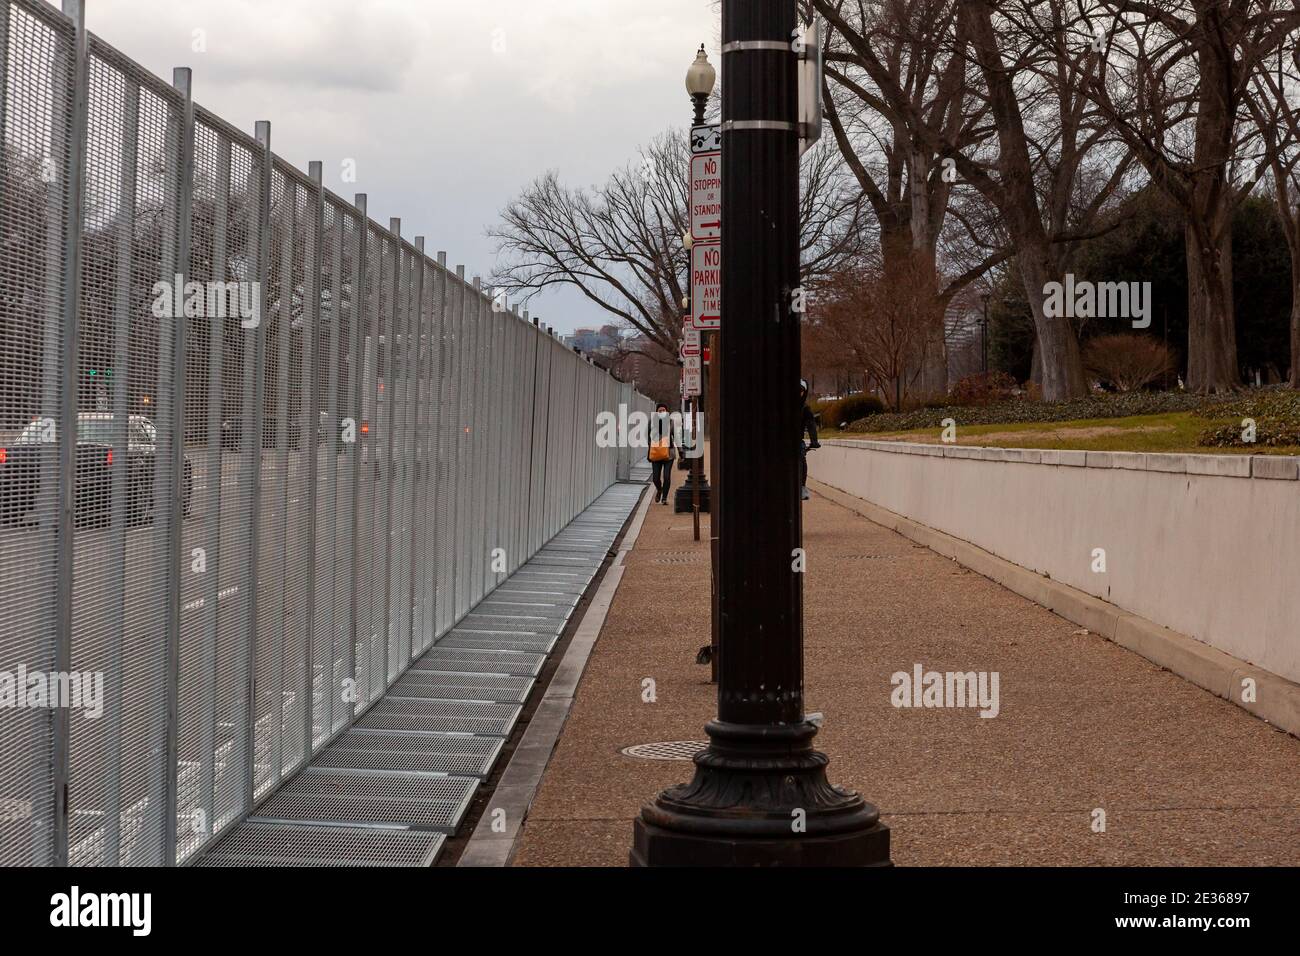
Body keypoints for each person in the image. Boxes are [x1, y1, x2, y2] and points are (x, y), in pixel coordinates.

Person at [648, 403, 679, 505]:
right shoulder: (652, 422)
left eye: (663, 410)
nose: (662, 412)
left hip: (669, 454)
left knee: (666, 477)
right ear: (657, 412)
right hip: (656, 453)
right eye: (660, 410)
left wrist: (681, 453)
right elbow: (648, 437)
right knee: (655, 478)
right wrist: (650, 450)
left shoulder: (671, 422)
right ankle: (659, 490)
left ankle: (664, 498)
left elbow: (677, 438)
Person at [799, 379, 820, 501]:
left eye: (801, 390)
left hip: (797, 440)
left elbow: (811, 425)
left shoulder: (805, 408)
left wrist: (814, 441)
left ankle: (802, 486)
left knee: (802, 460)